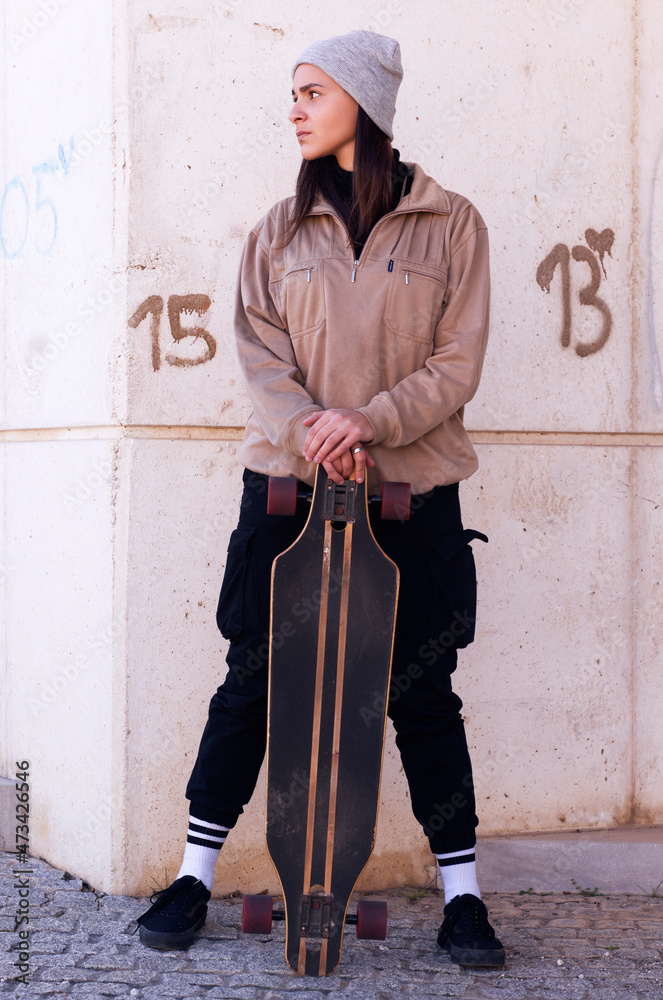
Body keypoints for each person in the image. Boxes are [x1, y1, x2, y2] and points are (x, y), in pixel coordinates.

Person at [135, 29, 505, 969]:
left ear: (364, 101)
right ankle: (193, 877)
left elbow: (457, 361)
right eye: (291, 93)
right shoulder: (275, 231)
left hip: (409, 495)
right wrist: (312, 430)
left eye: (311, 91)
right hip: (285, 493)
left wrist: (370, 422)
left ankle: (463, 899)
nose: (293, 108)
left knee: (421, 693)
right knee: (252, 682)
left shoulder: (452, 223)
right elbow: (258, 352)